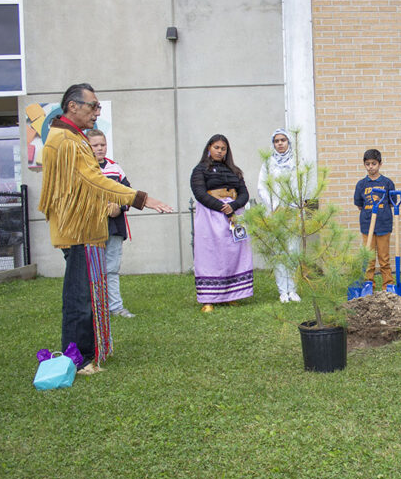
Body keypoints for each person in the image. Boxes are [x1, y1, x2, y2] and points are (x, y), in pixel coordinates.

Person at [38, 83, 172, 375]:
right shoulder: (64, 141)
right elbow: (94, 181)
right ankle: (78, 359)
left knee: (86, 292)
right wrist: (141, 198)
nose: (97, 112)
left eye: (98, 107)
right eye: (93, 106)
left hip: (86, 228)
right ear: (73, 106)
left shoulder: (72, 138)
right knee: (79, 297)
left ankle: (86, 354)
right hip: (77, 230)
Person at [191, 134, 253, 312]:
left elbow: (244, 193)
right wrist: (221, 207)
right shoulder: (200, 170)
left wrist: (232, 206)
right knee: (211, 254)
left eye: (223, 148)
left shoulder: (234, 170)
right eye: (216, 147)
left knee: (233, 253)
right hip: (211, 217)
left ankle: (231, 294)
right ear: (209, 148)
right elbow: (200, 193)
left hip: (233, 215)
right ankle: (209, 299)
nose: (219, 151)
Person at [88, 129, 136, 318]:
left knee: (112, 268)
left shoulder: (115, 168)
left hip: (114, 227)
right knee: (94, 270)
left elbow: (128, 193)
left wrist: (120, 207)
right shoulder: (84, 169)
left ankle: (115, 307)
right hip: (91, 228)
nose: (100, 149)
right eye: (95, 145)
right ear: (87, 147)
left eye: (103, 145)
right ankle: (97, 309)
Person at [257, 129, 301, 303]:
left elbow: (302, 186)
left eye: (283, 140)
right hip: (275, 212)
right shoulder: (268, 163)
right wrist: (274, 206)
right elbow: (262, 187)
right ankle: (283, 290)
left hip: (292, 212)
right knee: (279, 252)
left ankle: (293, 290)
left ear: (289, 142)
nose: (280, 143)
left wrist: (294, 205)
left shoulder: (296, 162)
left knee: (293, 251)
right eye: (276, 141)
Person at [353, 149, 395, 289]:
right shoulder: (361, 184)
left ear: (380, 164)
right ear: (364, 165)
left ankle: (388, 284)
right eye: (367, 164)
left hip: (384, 225)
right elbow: (360, 205)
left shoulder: (387, 183)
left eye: (374, 163)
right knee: (369, 258)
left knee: (384, 258)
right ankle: (368, 284)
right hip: (367, 226)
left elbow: (391, 202)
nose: (371, 167)